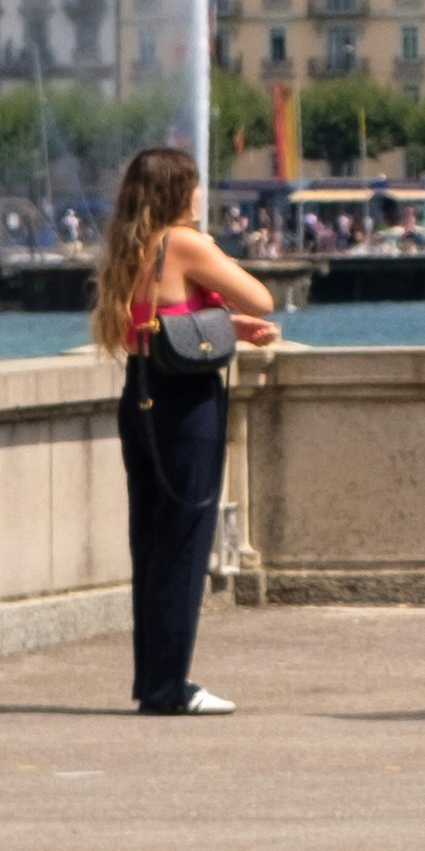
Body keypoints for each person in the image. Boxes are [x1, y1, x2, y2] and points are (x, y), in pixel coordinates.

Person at [92, 138, 282, 718]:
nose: (202, 194)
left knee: (151, 542)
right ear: (177, 192)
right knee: (184, 540)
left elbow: (156, 321)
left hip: (142, 396)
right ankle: (170, 688)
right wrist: (223, 282)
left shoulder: (131, 246)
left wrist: (222, 323)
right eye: (195, 184)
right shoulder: (185, 243)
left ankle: (153, 679)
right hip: (186, 405)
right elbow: (264, 296)